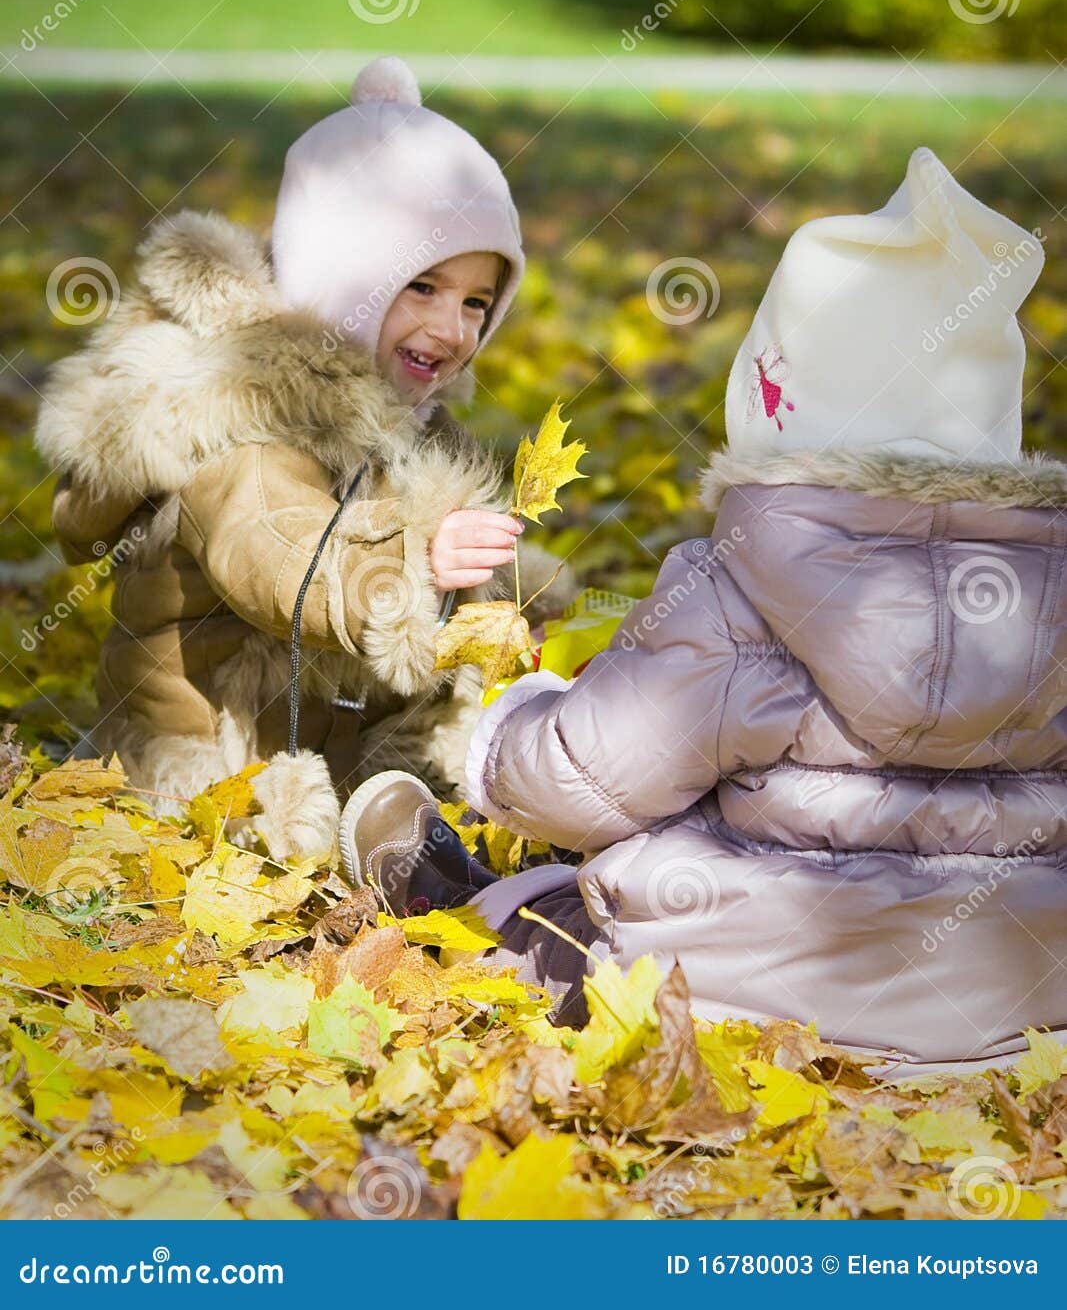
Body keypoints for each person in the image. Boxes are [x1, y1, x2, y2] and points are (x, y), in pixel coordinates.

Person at [339, 146, 1067, 1074]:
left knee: (541, 913)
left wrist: (511, 728)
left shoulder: (749, 584)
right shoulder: (1044, 596)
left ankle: (426, 880)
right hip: (1020, 1004)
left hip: (757, 1010)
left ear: (777, 406)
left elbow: (575, 779)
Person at [35, 56, 570, 864]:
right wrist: (407, 559)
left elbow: (455, 528)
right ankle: (415, 860)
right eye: (422, 287)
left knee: (465, 729)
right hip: (213, 753)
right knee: (280, 824)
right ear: (347, 279)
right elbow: (275, 550)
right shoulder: (243, 412)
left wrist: (520, 597)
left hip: (336, 735)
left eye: (475, 302)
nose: (454, 327)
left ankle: (502, 806)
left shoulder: (404, 418)